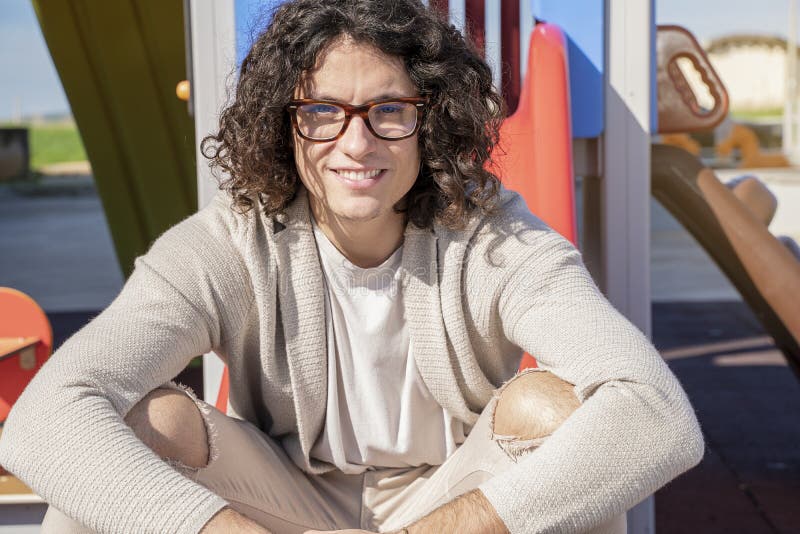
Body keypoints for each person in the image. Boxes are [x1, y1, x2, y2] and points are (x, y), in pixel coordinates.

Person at [0, 1, 704, 533]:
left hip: (452, 494)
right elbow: (43, 420)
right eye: (323, 112)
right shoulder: (231, 241)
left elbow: (657, 414)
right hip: (282, 501)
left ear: (428, 122)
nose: (356, 143)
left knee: (558, 413)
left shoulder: (494, 236)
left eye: (388, 110)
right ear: (285, 122)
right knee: (141, 424)